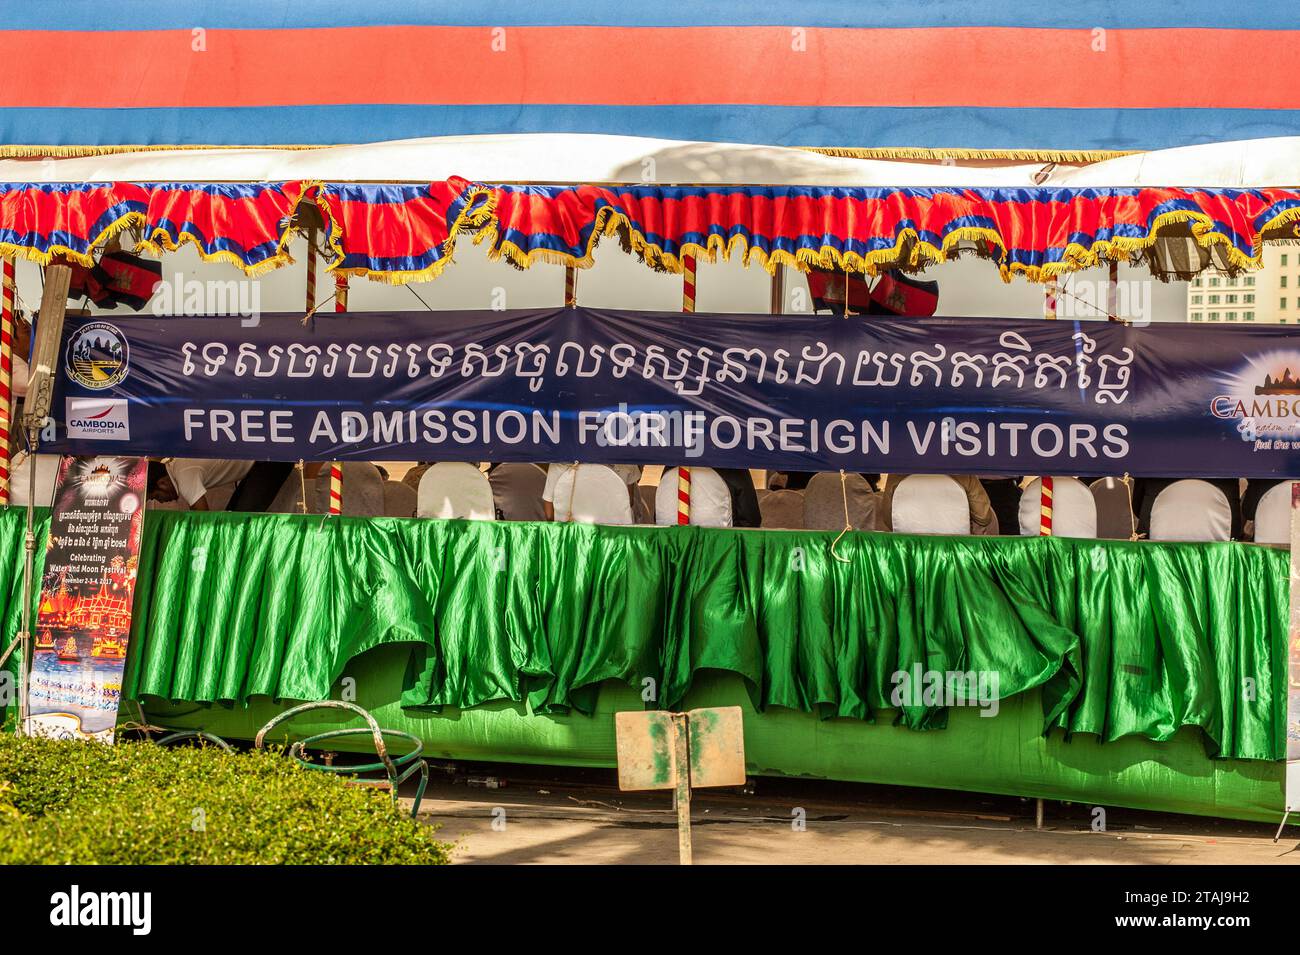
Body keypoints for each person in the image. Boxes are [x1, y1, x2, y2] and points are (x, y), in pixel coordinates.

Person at [877, 473, 997, 535]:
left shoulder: (897, 472)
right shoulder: (961, 470)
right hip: (957, 552)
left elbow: (888, 519)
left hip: (910, 552)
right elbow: (984, 517)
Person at [542, 462, 641, 521]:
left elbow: (549, 513)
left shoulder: (559, 464)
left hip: (572, 540)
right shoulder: (626, 461)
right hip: (614, 541)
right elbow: (628, 502)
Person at [149, 458, 252, 511]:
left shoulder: (184, 476)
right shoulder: (178, 466)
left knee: (242, 522)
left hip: (260, 463)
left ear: (162, 483)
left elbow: (202, 516)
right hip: (253, 465)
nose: (161, 501)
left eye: (157, 496)